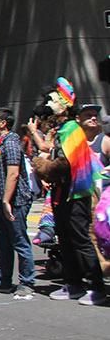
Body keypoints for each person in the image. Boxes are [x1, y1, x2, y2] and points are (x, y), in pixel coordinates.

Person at [48, 104, 108, 305]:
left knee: (81, 239)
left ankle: (96, 287)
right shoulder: (66, 129)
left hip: (77, 194)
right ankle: (73, 284)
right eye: (88, 114)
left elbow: (66, 163)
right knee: (65, 238)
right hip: (62, 192)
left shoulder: (72, 130)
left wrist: (47, 169)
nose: (93, 118)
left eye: (94, 115)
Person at [0, 107, 36, 300]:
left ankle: (27, 282)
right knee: (4, 242)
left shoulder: (11, 143)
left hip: (15, 201)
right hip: (1, 200)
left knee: (19, 241)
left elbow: (13, 174)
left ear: (3, 123)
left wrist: (6, 201)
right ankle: (3, 280)